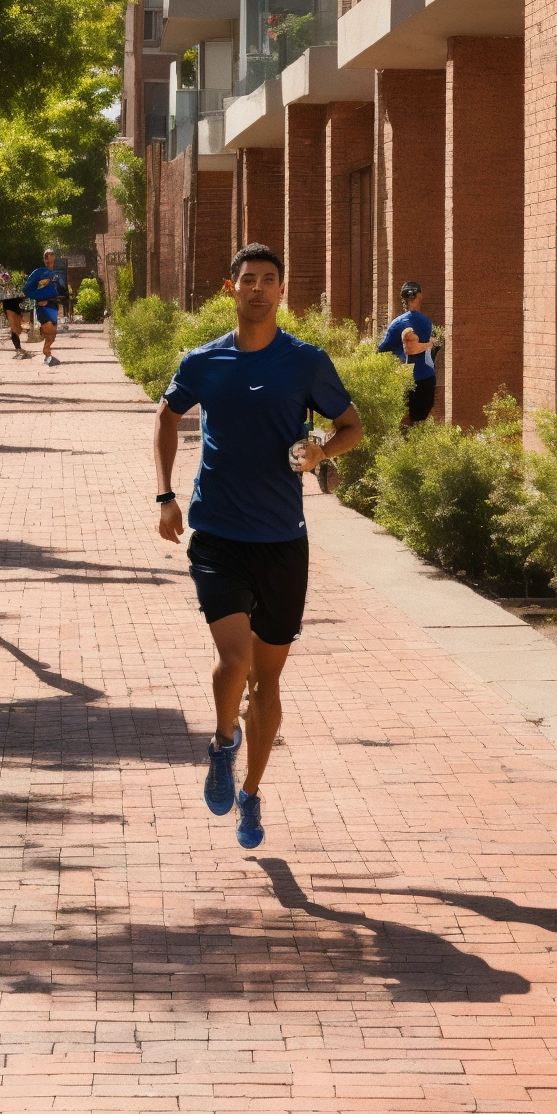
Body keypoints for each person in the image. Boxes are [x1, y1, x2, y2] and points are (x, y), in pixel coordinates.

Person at [154, 243, 363, 851]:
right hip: (217, 532)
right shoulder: (205, 360)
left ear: (281, 292)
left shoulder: (305, 362)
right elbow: (166, 417)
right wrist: (164, 495)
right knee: (236, 657)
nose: (258, 289)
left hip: (282, 542)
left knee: (267, 684)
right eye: (248, 279)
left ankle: (250, 791)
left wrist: (322, 450)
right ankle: (223, 742)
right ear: (231, 288)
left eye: (269, 280)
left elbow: (350, 425)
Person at [377, 278, 437, 426]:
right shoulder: (427, 322)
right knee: (421, 419)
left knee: (406, 420)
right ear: (419, 296)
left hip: (406, 378)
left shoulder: (397, 324)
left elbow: (382, 350)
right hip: (427, 377)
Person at [22, 247, 68, 366]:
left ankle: (47, 353)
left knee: (53, 334)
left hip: (53, 305)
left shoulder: (58, 273)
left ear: (54, 257)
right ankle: (47, 353)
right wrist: (39, 298)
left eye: (51, 255)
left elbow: (62, 289)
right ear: (43, 258)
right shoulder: (38, 272)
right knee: (48, 331)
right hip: (43, 306)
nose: (48, 258)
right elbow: (27, 290)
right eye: (46, 256)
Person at [0, 265, 32, 359]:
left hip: (17, 305)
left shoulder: (15, 281)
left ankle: (19, 348)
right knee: (14, 328)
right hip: (8, 305)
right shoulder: (1, 281)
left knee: (18, 329)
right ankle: (18, 349)